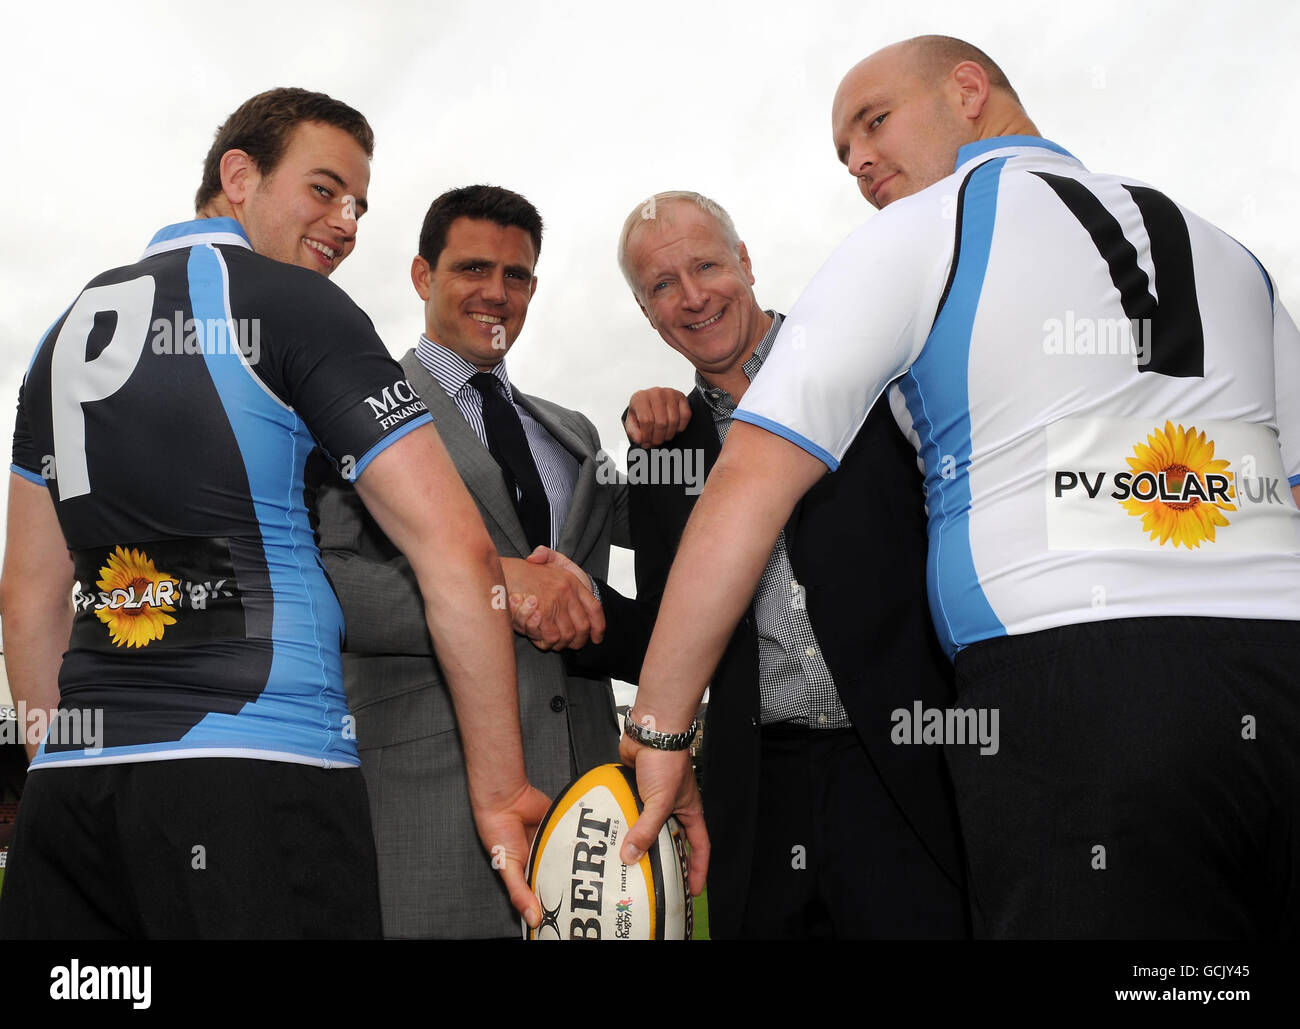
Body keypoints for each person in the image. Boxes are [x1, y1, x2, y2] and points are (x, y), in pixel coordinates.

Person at [619, 36, 1300, 939]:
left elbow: (749, 481)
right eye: (843, 152)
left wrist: (661, 730)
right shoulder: (1226, 249)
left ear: (970, 91)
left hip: (1072, 687)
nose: (860, 162)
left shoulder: (919, 230)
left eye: (874, 123)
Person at [0, 90, 547, 938]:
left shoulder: (59, 333)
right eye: (324, 189)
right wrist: (503, 790)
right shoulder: (295, 303)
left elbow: (31, 591)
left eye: (359, 203)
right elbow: (458, 556)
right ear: (239, 175)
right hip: (262, 778)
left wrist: (55, 761)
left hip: (76, 798)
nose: (347, 221)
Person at [615, 190, 966, 938]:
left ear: (744, 261)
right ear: (646, 311)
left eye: (706, 265)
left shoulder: (869, 376)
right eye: (662, 285)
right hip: (760, 783)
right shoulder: (660, 450)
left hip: (904, 763)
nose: (693, 296)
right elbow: (661, 628)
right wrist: (551, 598)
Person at [315, 184, 649, 939]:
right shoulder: (351, 406)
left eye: (517, 275)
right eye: (472, 269)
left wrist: (679, 427)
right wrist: (502, 590)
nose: (496, 292)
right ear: (421, 276)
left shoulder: (574, 433)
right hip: (429, 803)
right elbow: (327, 584)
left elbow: (674, 531)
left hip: (588, 808)